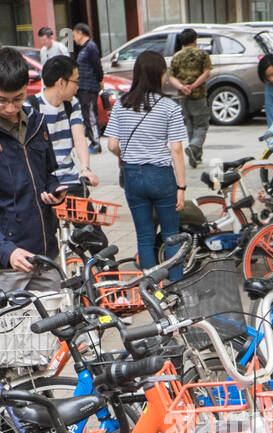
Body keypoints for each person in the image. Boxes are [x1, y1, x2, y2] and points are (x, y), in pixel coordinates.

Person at [0, 43, 65, 297]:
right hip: (7, 267)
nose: (10, 108)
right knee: (12, 335)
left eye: (18, 99)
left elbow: (47, 174)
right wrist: (8, 251)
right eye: (1, 100)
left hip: (46, 254)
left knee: (55, 332)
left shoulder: (37, 123)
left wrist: (53, 191)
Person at [103, 50, 187, 282]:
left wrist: (128, 154)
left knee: (144, 236)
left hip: (132, 176)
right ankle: (177, 287)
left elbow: (111, 145)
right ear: (159, 74)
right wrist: (181, 186)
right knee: (171, 234)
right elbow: (176, 150)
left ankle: (152, 290)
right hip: (161, 177)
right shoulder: (169, 107)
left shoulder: (121, 105)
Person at [34, 54, 98, 197]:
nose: (77, 87)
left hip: (70, 178)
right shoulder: (33, 107)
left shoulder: (72, 104)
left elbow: (79, 137)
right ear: (61, 83)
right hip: (44, 183)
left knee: (86, 217)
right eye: (75, 81)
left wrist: (85, 168)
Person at [166, 28, 212, 168]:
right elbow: (207, 73)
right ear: (195, 39)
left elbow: (171, 77)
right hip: (198, 95)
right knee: (202, 125)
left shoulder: (177, 56)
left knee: (190, 124)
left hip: (182, 96)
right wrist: (193, 86)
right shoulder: (203, 54)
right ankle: (193, 147)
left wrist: (182, 87)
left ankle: (196, 156)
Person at [72, 23, 103, 152]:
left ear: (80, 33)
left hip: (90, 87)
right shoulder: (84, 48)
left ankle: (96, 143)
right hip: (83, 87)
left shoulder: (91, 47)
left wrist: (99, 80)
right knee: (86, 114)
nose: (74, 38)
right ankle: (92, 141)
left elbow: (97, 66)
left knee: (90, 114)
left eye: (74, 35)